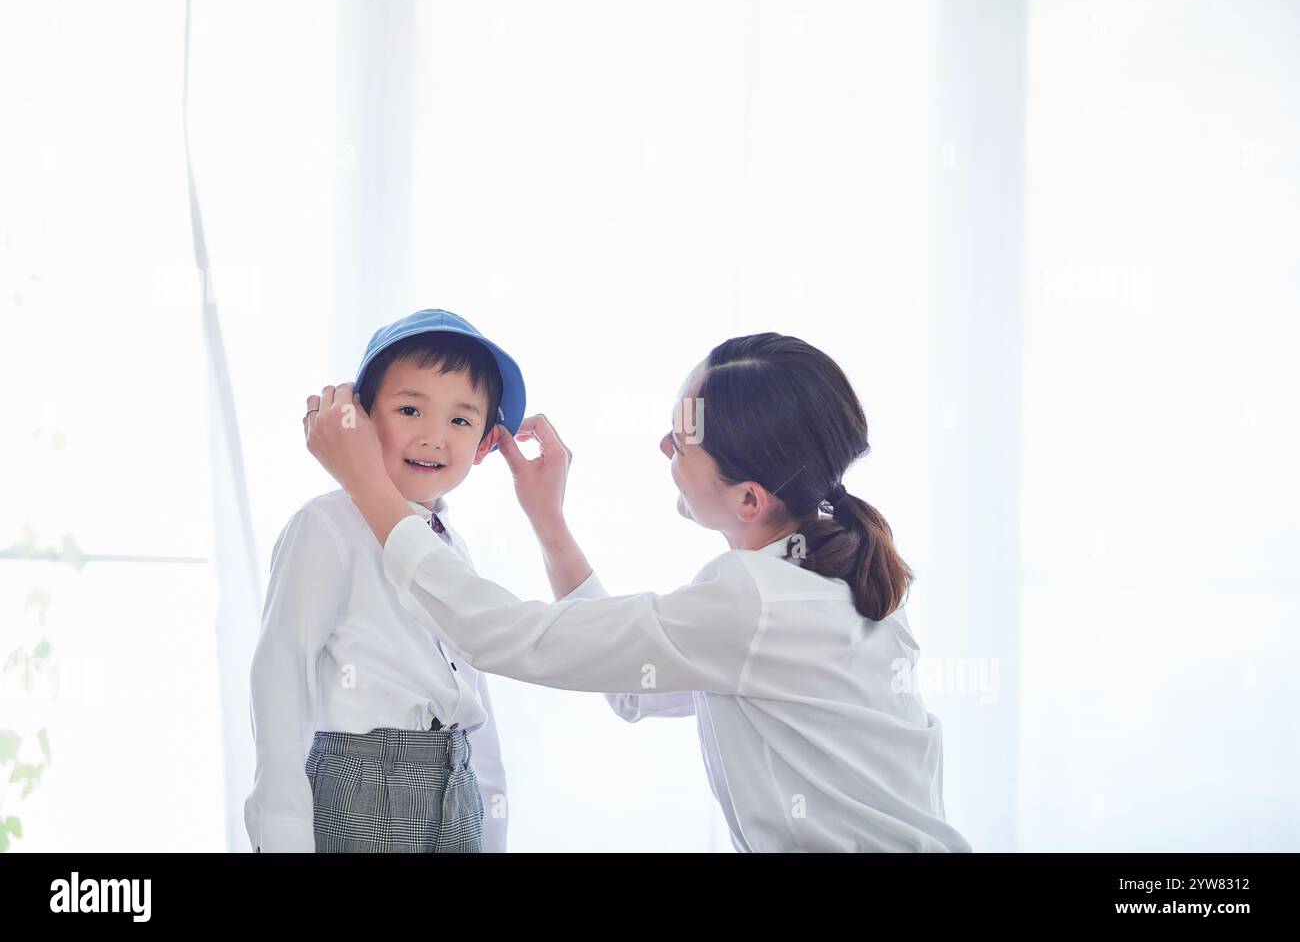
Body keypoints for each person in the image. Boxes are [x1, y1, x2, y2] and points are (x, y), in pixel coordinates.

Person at [304, 331, 972, 852]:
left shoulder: (758, 599)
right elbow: (636, 685)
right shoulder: (828, 574)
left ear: (747, 498)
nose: (661, 446)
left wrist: (369, 486)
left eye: (681, 442)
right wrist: (549, 522)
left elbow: (495, 636)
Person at [246, 309, 526, 852]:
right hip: (364, 789)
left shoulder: (449, 544)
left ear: (487, 443)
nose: (433, 437)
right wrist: (281, 837)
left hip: (455, 785)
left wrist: (492, 832)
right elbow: (280, 676)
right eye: (409, 409)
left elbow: (478, 704)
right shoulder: (327, 525)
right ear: (362, 417)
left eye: (461, 421)